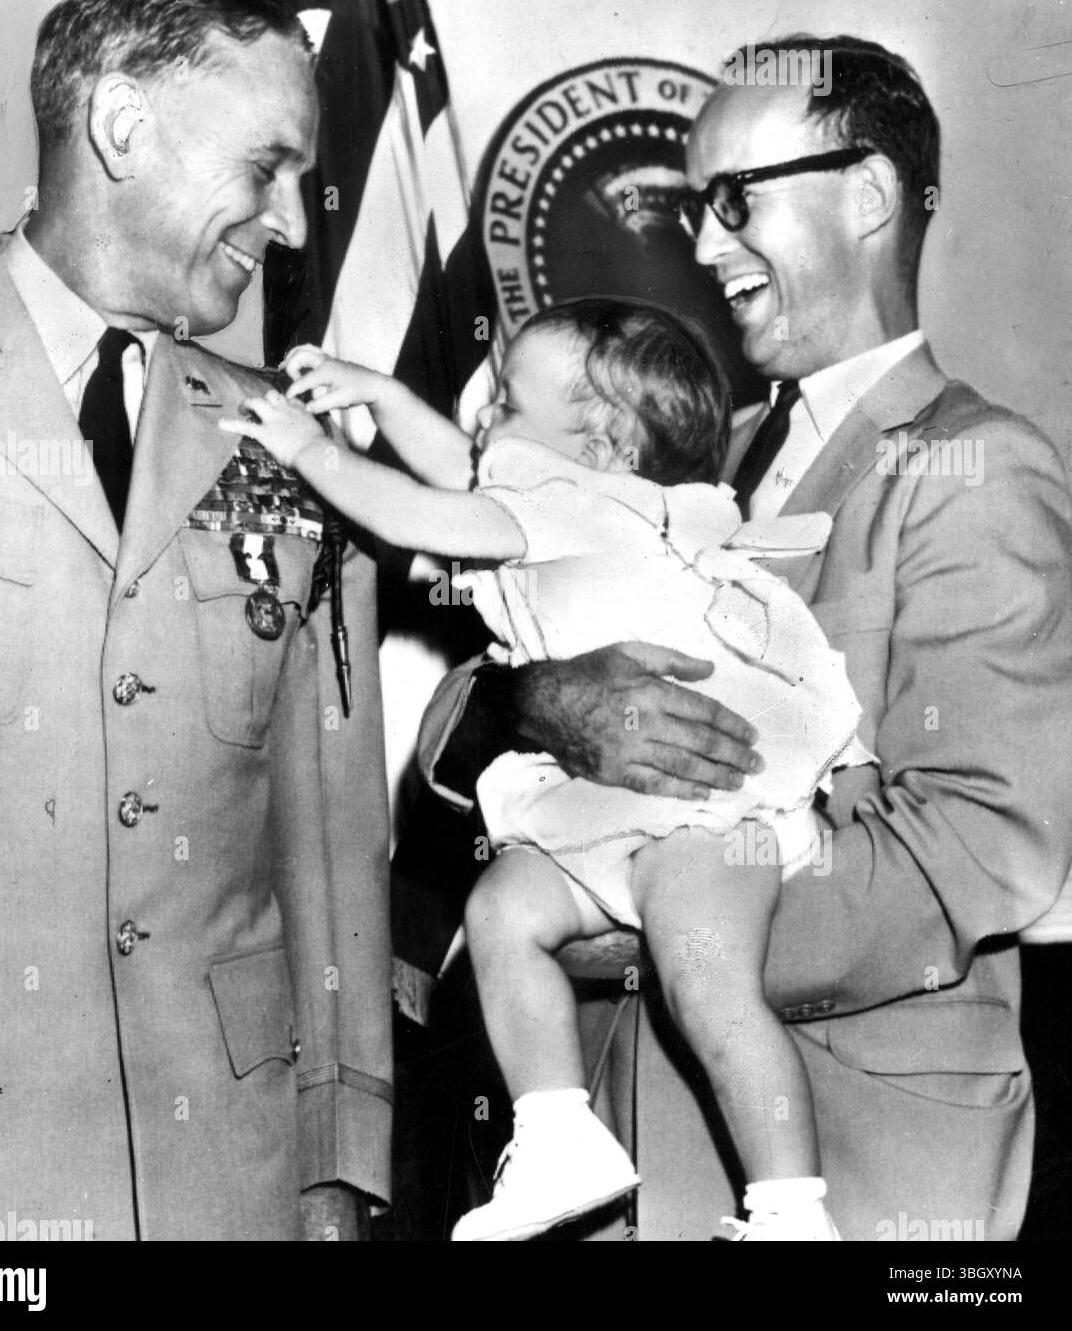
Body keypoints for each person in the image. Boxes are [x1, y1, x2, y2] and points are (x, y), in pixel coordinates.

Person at [418, 36, 1072, 1241]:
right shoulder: (676, 456)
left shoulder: (975, 471)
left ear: (869, 194)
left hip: (864, 1171)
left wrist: (640, 924)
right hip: (624, 1150)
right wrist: (540, 701)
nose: (704, 246)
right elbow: (481, 692)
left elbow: (985, 849)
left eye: (735, 201)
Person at [0, 0, 391, 1240]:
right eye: (267, 164)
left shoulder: (291, 445)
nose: (291, 218)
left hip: (227, 1181)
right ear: (123, 127)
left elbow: (327, 843)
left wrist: (336, 1159)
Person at [230, 297, 869, 1241]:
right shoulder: (582, 500)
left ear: (602, 442)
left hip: (699, 811)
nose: (482, 417)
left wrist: (314, 451)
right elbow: (459, 467)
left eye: (506, 404)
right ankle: (556, 1135)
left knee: (710, 987)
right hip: (609, 806)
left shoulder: (571, 509)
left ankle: (788, 1212)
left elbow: (425, 509)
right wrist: (380, 394)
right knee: (504, 912)